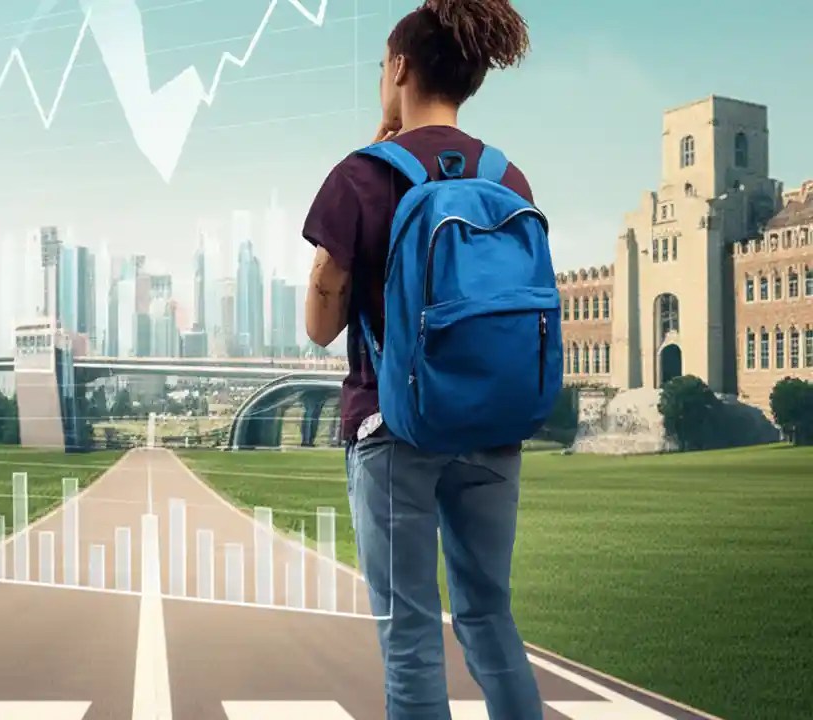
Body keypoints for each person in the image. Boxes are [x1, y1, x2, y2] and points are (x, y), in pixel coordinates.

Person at [301, 1, 543, 719]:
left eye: (383, 64)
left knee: (409, 635)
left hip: (393, 428)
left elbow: (320, 323)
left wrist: (373, 157)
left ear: (399, 68)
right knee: (489, 616)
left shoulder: (361, 175)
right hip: (493, 428)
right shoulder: (509, 178)